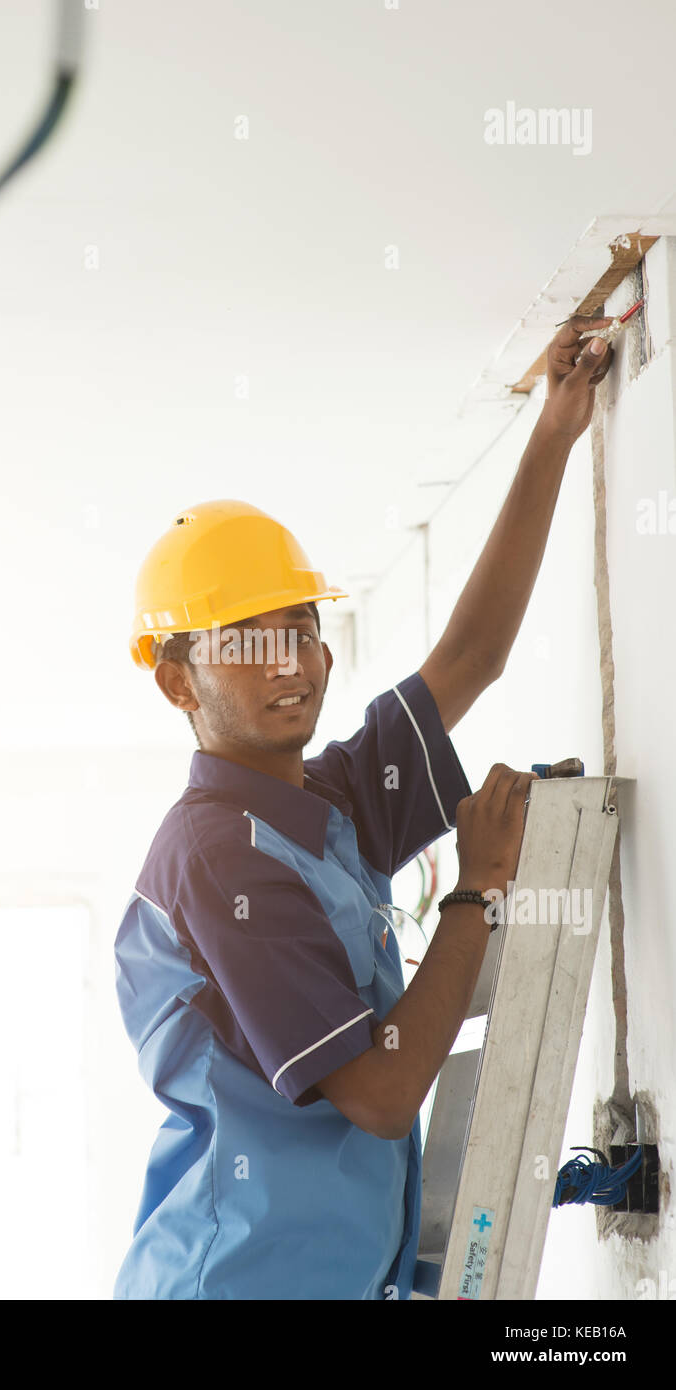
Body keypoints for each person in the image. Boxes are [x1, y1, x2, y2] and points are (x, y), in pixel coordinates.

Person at [113, 317, 614, 1299]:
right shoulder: (220, 854)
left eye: (302, 627)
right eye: (247, 643)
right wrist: (474, 891)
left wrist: (554, 427)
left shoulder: (327, 799)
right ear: (179, 681)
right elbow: (381, 1097)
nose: (292, 662)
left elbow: (470, 659)